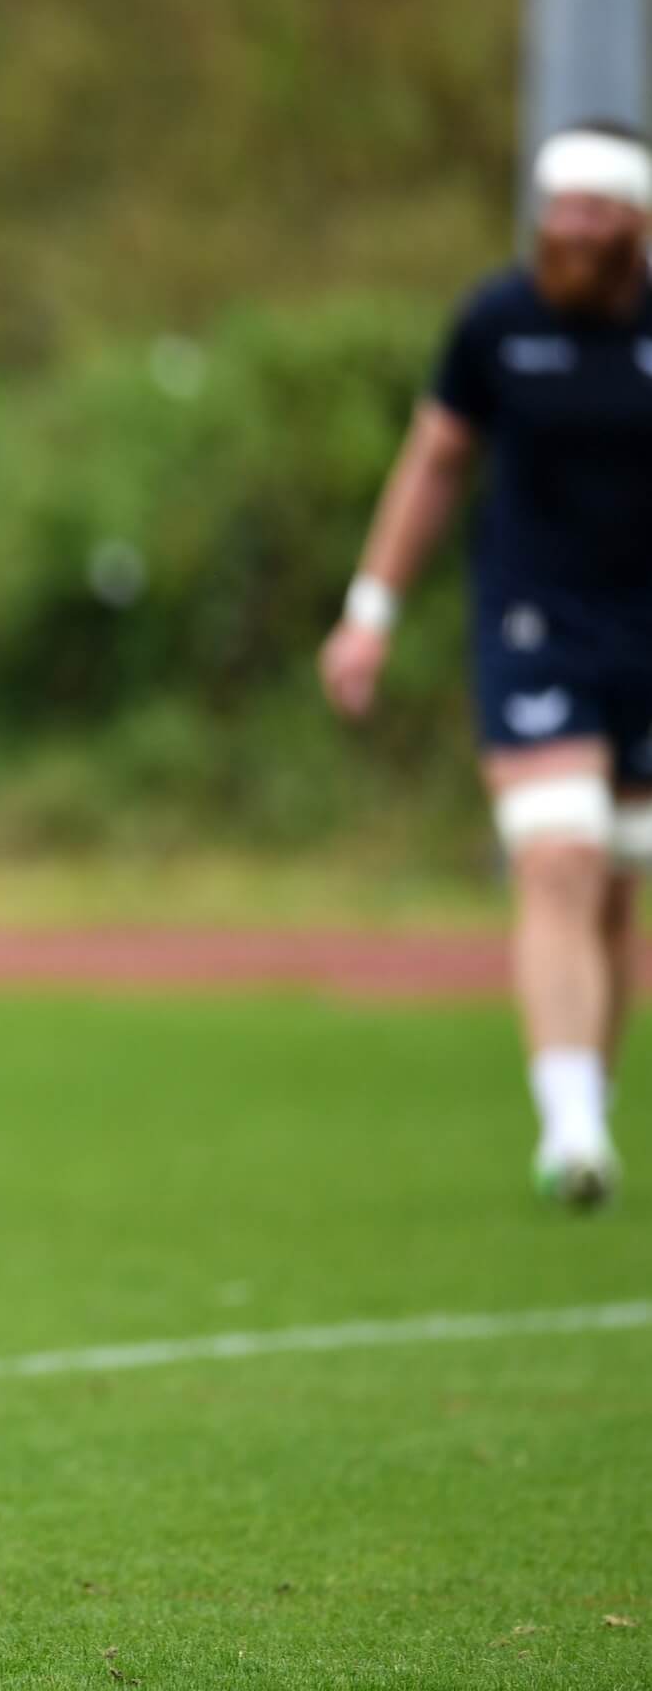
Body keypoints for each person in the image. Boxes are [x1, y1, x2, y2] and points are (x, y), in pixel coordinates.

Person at [321, 119, 652, 1210]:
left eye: (594, 210)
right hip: (533, 622)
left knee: (613, 882)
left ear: (637, 223)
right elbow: (433, 465)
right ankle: (567, 1131)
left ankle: (587, 1102)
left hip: (644, 634)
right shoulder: (496, 324)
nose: (569, 228)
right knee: (556, 859)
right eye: (556, 207)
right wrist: (371, 611)